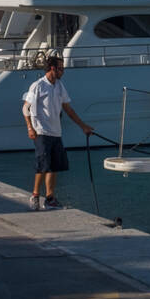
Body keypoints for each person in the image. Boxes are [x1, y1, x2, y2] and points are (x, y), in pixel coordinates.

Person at [22, 55, 93, 210]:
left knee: (54, 166)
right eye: (61, 68)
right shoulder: (38, 85)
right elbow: (25, 107)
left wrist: (83, 126)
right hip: (41, 131)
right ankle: (35, 195)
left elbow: (68, 109)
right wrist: (30, 128)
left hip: (56, 132)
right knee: (43, 165)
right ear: (52, 68)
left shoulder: (60, 86)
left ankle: (49, 198)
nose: (63, 71)